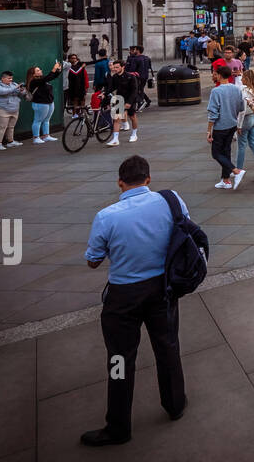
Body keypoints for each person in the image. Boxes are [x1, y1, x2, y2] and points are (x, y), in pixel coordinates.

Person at [80, 154, 190, 445]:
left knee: (119, 358)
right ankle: (175, 404)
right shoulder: (171, 200)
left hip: (123, 296)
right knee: (167, 346)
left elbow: (92, 260)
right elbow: (185, 230)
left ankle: (118, 426)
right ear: (148, 179)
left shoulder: (107, 216)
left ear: (120, 183)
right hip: (162, 289)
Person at [205, 64, 246, 190]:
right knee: (226, 150)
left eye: (215, 74)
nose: (213, 76)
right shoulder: (236, 89)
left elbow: (213, 112)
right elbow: (241, 107)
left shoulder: (216, 91)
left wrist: (209, 130)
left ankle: (236, 171)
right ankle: (226, 180)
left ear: (220, 75)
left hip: (220, 126)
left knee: (216, 153)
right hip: (232, 124)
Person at [235, 69, 254, 179]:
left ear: (247, 79)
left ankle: (238, 169)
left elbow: (242, 110)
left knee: (241, 145)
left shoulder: (244, 91)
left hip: (246, 119)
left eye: (243, 78)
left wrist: (238, 125)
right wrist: (239, 75)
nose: (241, 79)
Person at [25, 62, 62, 144]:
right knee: (38, 120)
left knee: (46, 120)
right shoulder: (33, 81)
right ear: (33, 74)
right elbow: (47, 78)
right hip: (40, 103)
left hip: (49, 102)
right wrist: (54, 68)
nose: (40, 71)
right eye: (38, 70)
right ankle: (36, 138)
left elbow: (52, 76)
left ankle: (46, 136)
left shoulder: (42, 79)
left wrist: (58, 70)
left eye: (39, 69)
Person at [107, 61, 142, 146]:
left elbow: (134, 91)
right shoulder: (114, 77)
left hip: (130, 99)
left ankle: (134, 134)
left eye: (117, 67)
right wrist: (104, 94)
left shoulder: (131, 77)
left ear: (123, 67)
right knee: (116, 119)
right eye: (114, 67)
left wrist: (129, 102)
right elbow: (111, 88)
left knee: (132, 117)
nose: (115, 69)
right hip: (119, 98)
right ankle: (115, 139)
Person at [0, 71, 27, 150]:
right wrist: (16, 87)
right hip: (1, 109)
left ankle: (10, 142)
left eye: (11, 78)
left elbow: (22, 94)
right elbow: (3, 92)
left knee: (11, 126)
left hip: (14, 109)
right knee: (1, 127)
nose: (11, 80)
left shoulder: (13, 84)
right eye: (9, 78)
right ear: (3, 78)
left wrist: (22, 90)